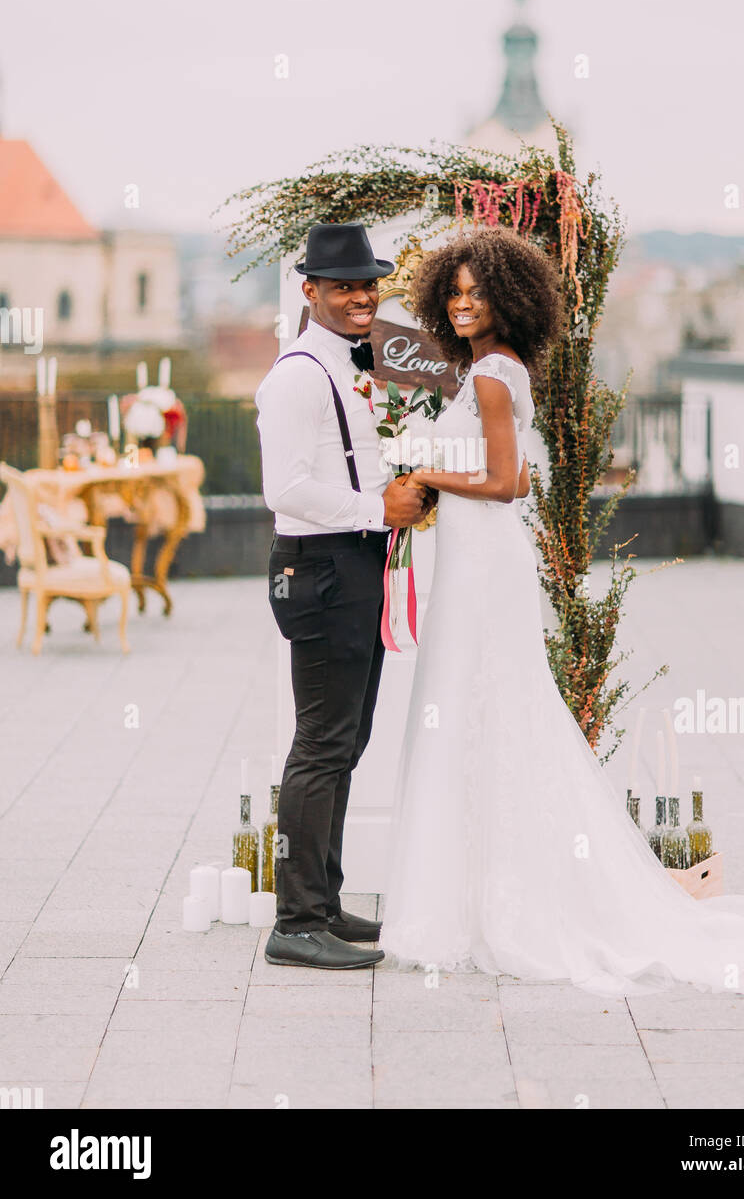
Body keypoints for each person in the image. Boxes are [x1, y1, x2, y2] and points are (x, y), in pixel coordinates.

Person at [380, 225, 744, 997]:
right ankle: (478, 898)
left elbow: (505, 482)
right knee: (480, 711)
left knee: (477, 707)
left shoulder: (493, 373)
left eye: (476, 291)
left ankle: (475, 907)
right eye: (453, 291)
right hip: (477, 561)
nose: (462, 302)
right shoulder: (493, 369)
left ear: (507, 299)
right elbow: (513, 479)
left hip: (483, 565)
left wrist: (422, 468)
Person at [255, 221, 432, 970]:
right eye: (344, 286)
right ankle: (295, 922)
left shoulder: (348, 364)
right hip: (318, 567)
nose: (361, 296)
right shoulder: (297, 374)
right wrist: (376, 510)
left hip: (351, 565)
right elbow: (285, 489)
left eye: (368, 284)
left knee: (346, 741)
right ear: (311, 292)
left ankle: (323, 902)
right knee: (321, 745)